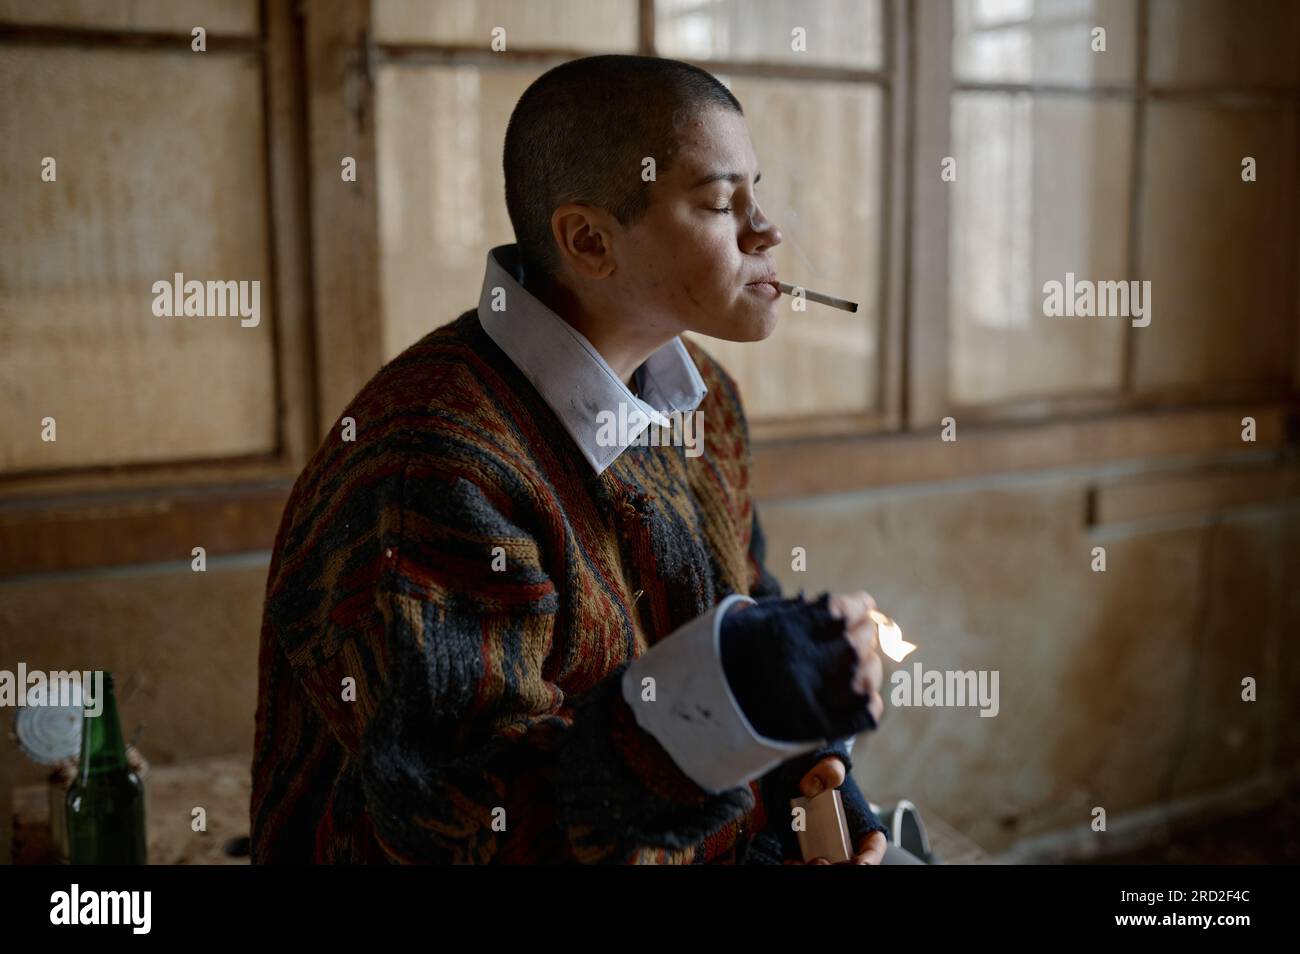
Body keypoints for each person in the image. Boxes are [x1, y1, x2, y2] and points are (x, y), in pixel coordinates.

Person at [251, 53, 920, 865]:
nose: (767, 229)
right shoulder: (430, 467)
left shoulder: (700, 394)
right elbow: (459, 826)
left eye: (757, 193)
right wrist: (724, 705)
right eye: (719, 202)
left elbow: (741, 596)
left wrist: (807, 762)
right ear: (590, 241)